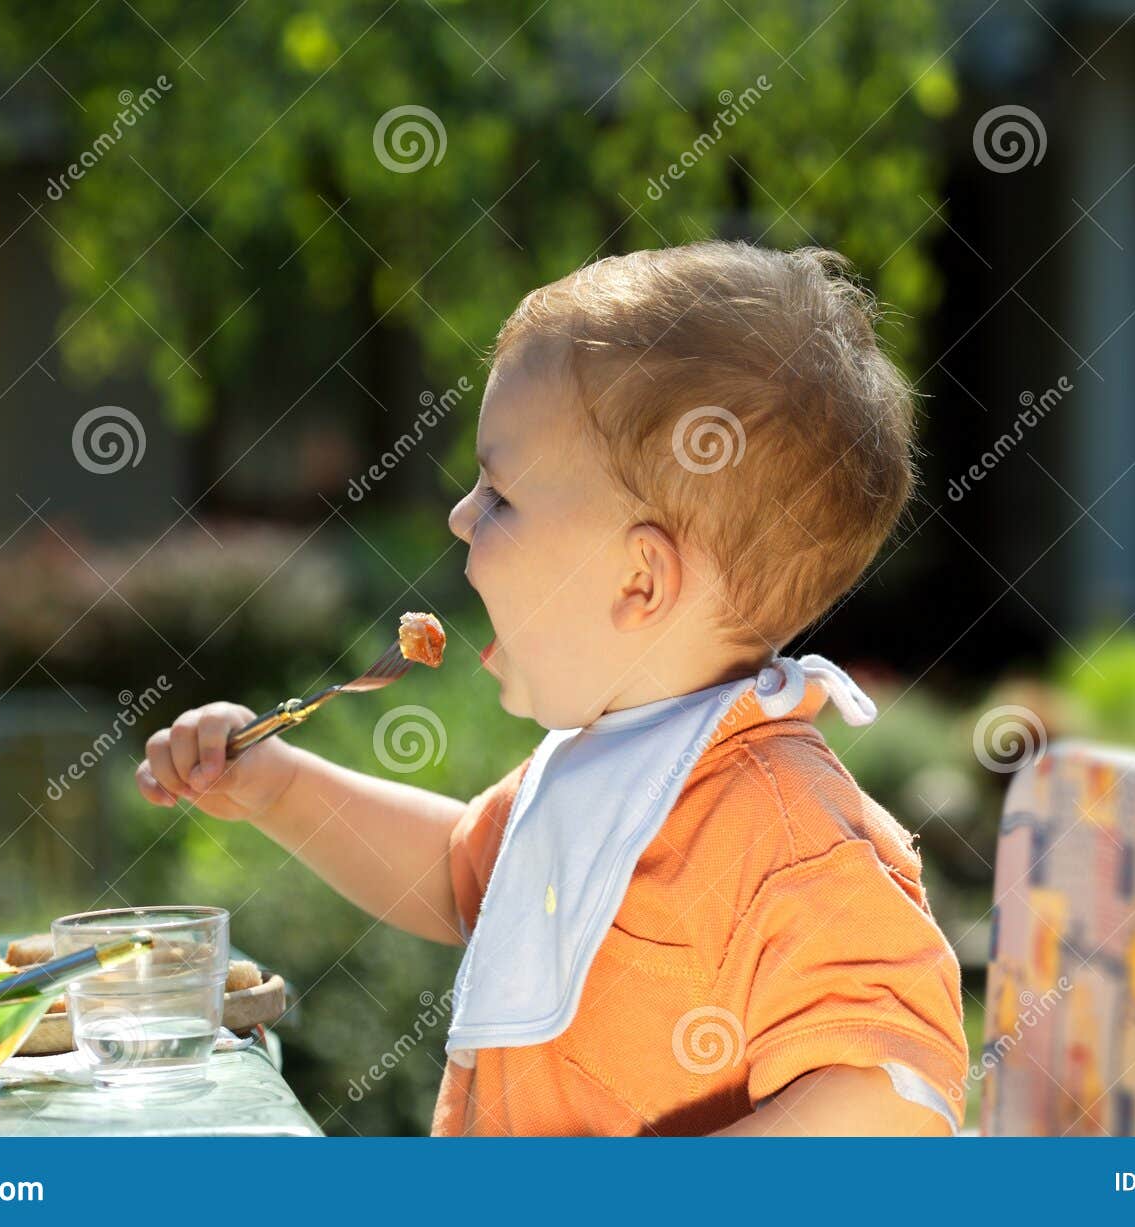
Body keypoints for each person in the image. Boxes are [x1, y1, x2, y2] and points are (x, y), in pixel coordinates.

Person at [137, 240, 968, 1135]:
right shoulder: (601, 761)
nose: (459, 516)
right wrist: (281, 787)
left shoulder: (791, 835)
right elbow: (459, 873)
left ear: (638, 583)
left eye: (498, 496)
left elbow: (893, 1094)